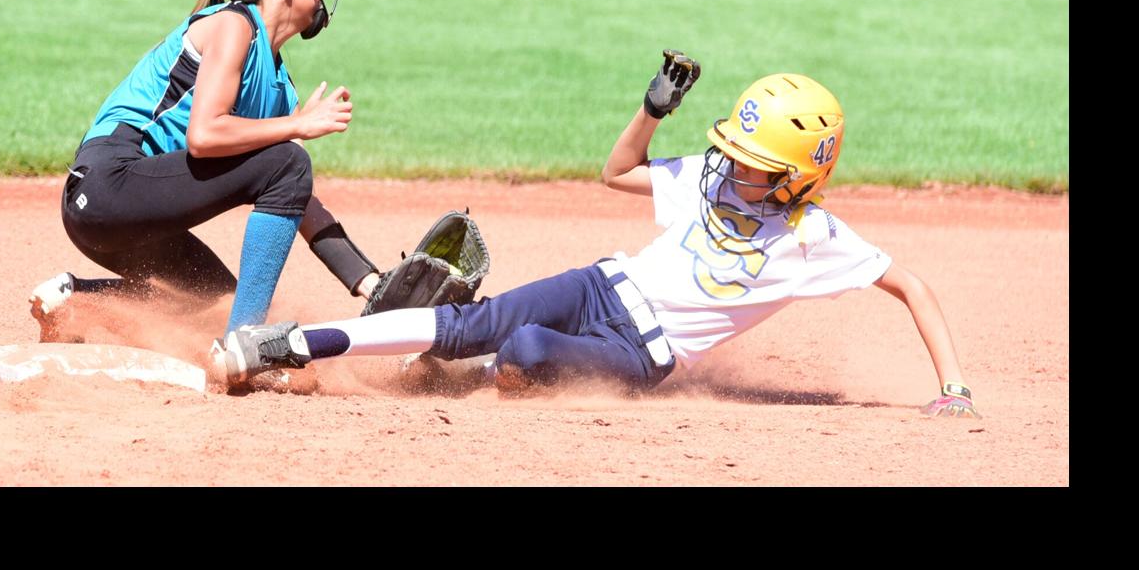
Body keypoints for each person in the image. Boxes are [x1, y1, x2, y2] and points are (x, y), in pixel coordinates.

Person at [210, 50, 980, 417]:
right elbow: (618, 171)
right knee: (468, 323)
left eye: (751, 162)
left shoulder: (815, 235)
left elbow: (910, 285)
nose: (731, 167)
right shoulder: (706, 181)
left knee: (525, 352)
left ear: (797, 177)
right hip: (603, 282)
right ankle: (288, 344)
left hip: (639, 352)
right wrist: (652, 111)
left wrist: (953, 389)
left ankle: (461, 379)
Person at [28, 0, 385, 343]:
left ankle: (77, 302)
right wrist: (298, 126)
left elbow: (294, 193)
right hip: (107, 188)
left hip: (133, 221)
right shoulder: (232, 26)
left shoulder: (277, 85)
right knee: (290, 159)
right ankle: (245, 344)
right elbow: (205, 137)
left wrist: (368, 281)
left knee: (218, 302)